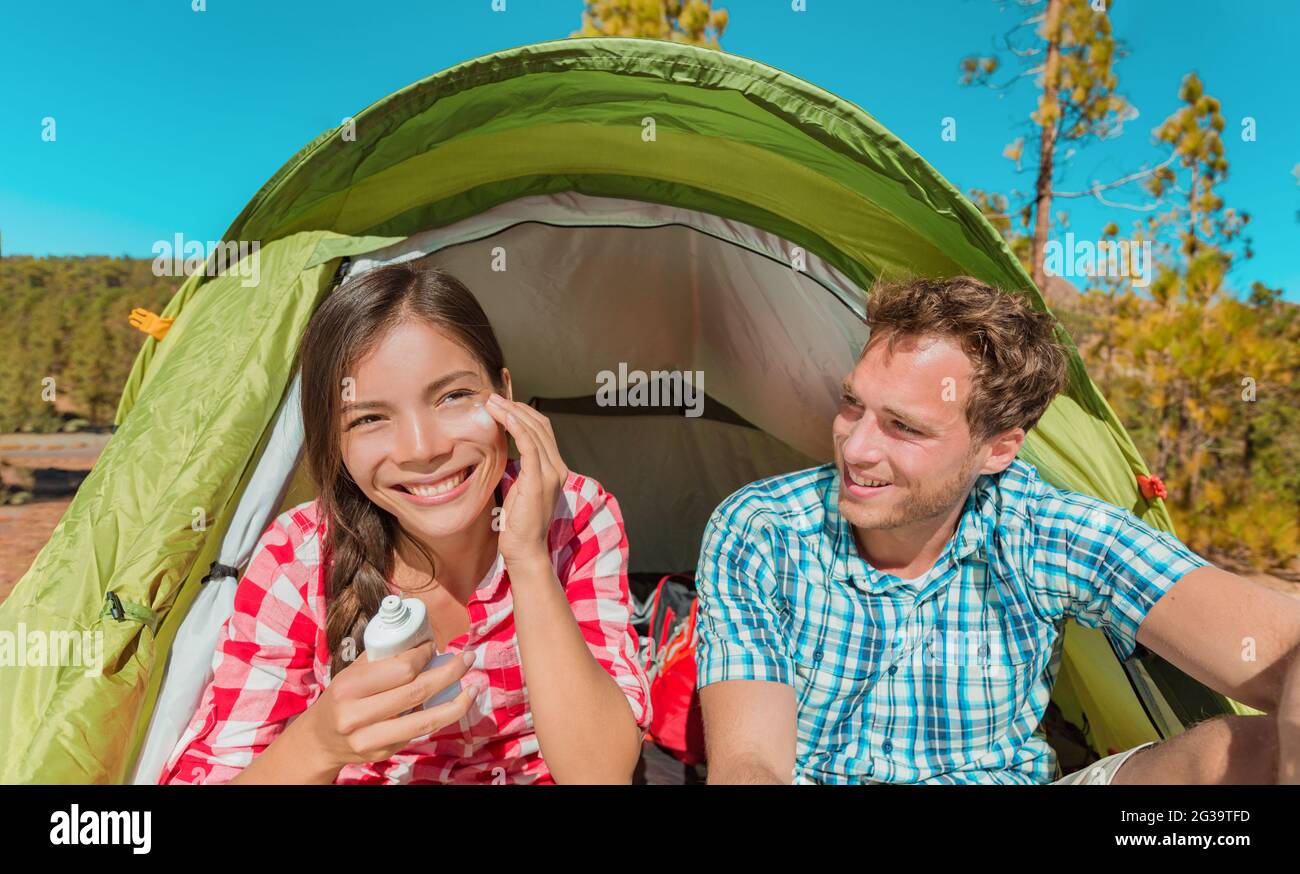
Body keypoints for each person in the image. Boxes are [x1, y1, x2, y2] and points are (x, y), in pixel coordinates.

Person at [694, 275, 1299, 785]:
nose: (856, 447)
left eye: (904, 427)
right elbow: (751, 763)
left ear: (998, 449)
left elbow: (1281, 650)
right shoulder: (761, 529)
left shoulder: (1048, 532)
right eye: (853, 404)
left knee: (1250, 756)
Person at [159, 261, 650, 784]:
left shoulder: (574, 515)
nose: (423, 450)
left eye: (454, 396)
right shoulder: (298, 559)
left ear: (505, 396)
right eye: (370, 418)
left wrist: (527, 558)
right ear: (333, 441)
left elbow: (599, 774)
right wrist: (318, 744)